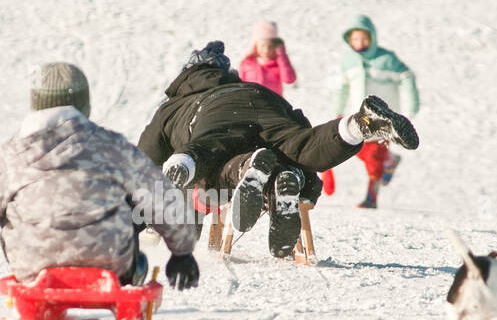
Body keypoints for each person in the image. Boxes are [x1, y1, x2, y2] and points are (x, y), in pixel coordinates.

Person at [0, 62, 199, 290]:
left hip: (33, 266)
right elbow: (159, 195)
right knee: (132, 243)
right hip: (111, 263)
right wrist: (182, 252)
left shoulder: (14, 154)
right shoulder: (112, 147)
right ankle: (132, 269)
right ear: (84, 104)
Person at [137, 41, 418, 258]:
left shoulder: (175, 104)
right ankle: (358, 125)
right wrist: (306, 176)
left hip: (211, 113)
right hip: (267, 102)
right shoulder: (247, 84)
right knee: (301, 146)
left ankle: (188, 161)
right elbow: (301, 128)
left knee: (212, 155)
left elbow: (144, 160)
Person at [327, 15, 420, 208]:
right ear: (349, 39)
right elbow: (341, 87)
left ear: (372, 38)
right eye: (355, 39)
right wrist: (338, 110)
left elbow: (407, 76)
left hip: (382, 119)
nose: (359, 43)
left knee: (374, 157)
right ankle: (391, 159)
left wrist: (410, 107)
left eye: (364, 38)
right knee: (356, 150)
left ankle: (371, 197)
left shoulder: (386, 59)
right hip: (358, 117)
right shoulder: (348, 61)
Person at [237, 20, 297, 98]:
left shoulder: (278, 64)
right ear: (255, 46)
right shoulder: (247, 63)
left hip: (273, 104)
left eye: (270, 46)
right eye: (262, 46)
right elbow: (239, 85)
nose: (266, 50)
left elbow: (289, 79)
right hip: (251, 103)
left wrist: (282, 56)